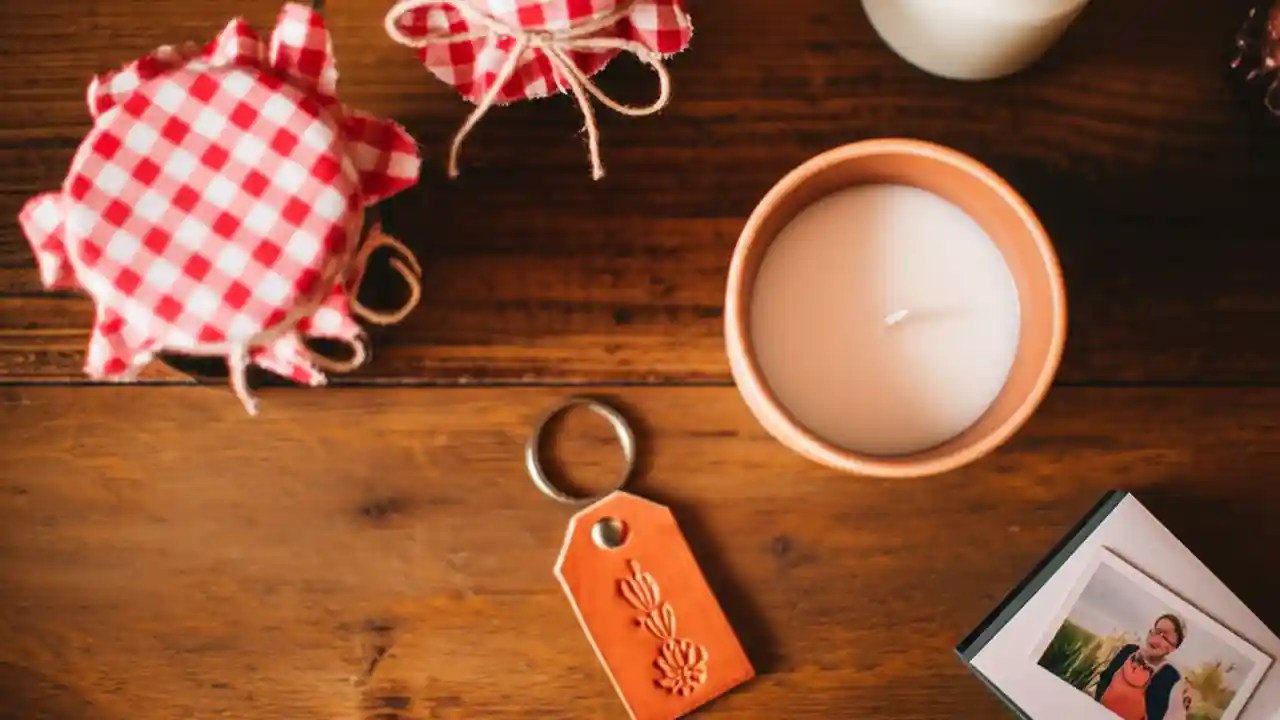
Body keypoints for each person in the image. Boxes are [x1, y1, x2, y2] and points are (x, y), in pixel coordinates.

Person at [1094, 614, 1192, 720]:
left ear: (1172, 648)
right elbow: (1105, 679)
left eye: (1165, 637)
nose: (1156, 640)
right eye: (1157, 631)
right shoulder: (1128, 651)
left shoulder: (1171, 676)